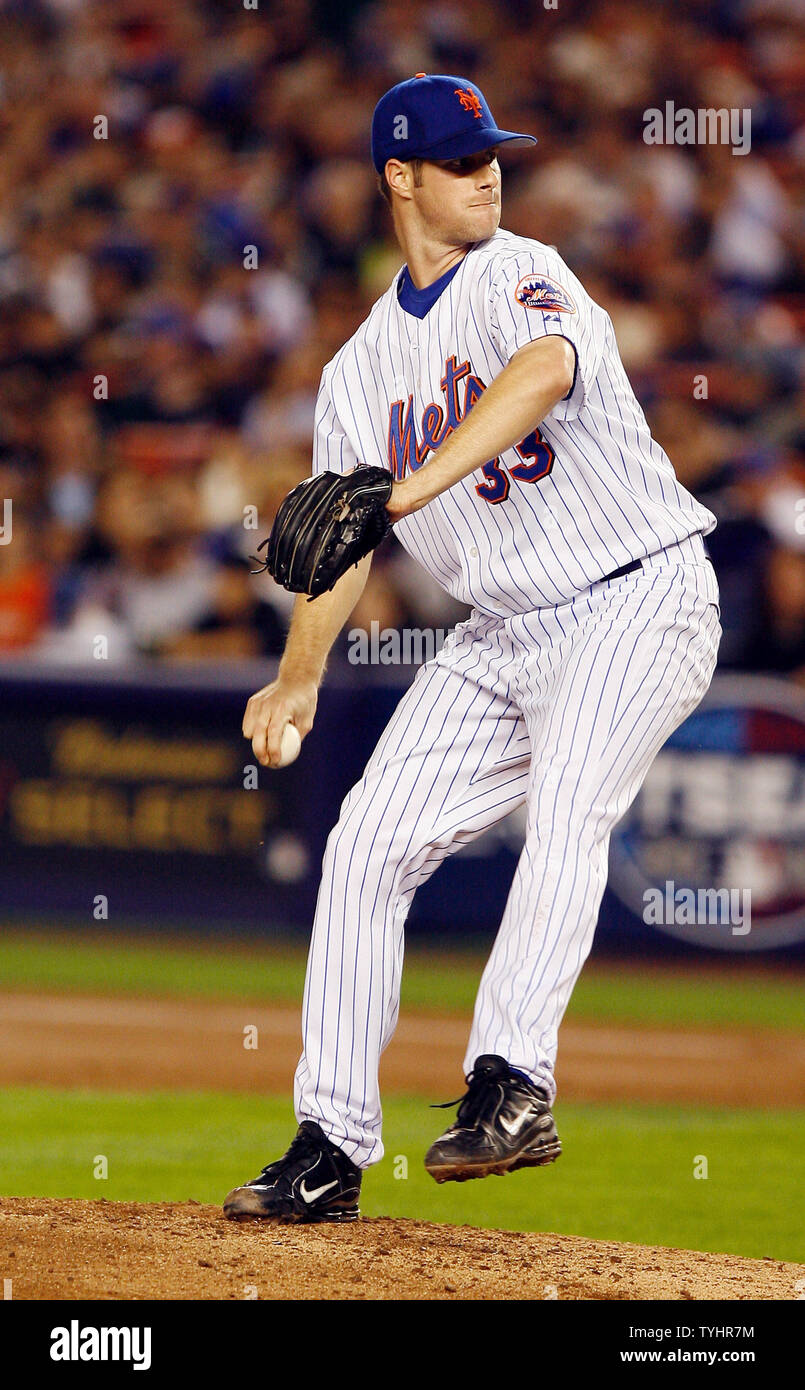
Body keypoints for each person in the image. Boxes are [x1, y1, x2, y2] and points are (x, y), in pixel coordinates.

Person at [223, 75, 721, 1224]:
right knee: (362, 845)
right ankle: (329, 1146)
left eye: (489, 151)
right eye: (456, 158)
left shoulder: (518, 271)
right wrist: (298, 673)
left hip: (634, 595)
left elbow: (543, 375)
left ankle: (512, 1082)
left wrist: (403, 490)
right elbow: (342, 537)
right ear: (398, 177)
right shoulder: (355, 372)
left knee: (567, 808)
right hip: (502, 632)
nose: (485, 170)